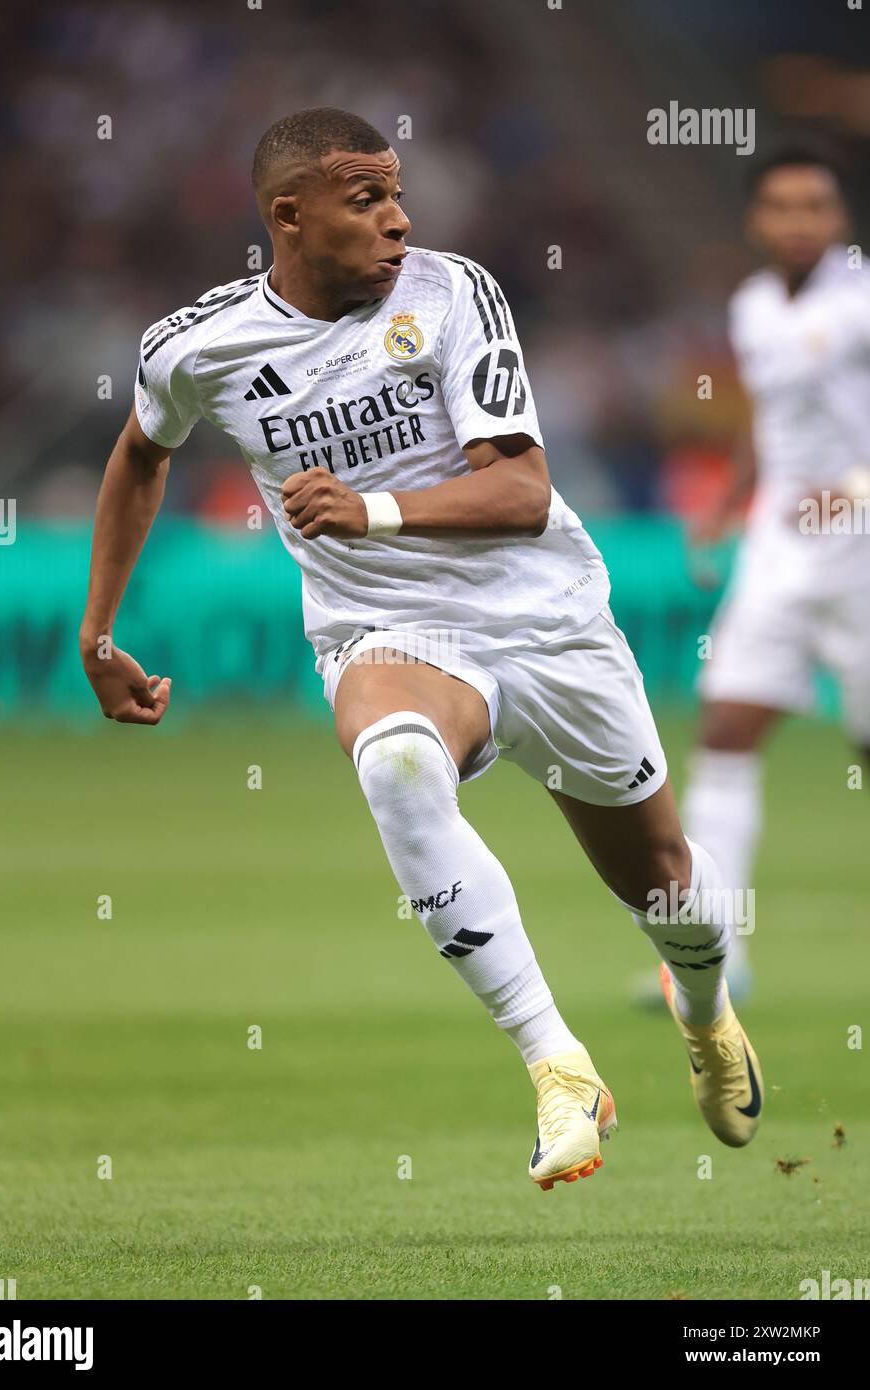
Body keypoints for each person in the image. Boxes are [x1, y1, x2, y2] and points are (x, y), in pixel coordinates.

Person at [79, 107, 762, 1190]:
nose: (400, 220)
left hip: (546, 621)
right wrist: (100, 627)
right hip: (385, 628)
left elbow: (523, 489)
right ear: (288, 217)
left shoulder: (450, 292)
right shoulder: (196, 346)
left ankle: (706, 1008)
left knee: (668, 888)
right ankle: (556, 1064)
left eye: (399, 194)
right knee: (396, 763)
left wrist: (375, 509)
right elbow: (140, 454)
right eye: (368, 200)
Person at [673, 149, 869, 1004]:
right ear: (757, 220)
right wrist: (730, 498)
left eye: (815, 206)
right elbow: (770, 414)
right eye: (781, 206)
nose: (798, 221)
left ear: (840, 219)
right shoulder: (752, 306)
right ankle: (715, 957)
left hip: (863, 545)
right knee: (725, 728)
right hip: (780, 551)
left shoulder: (861, 300)